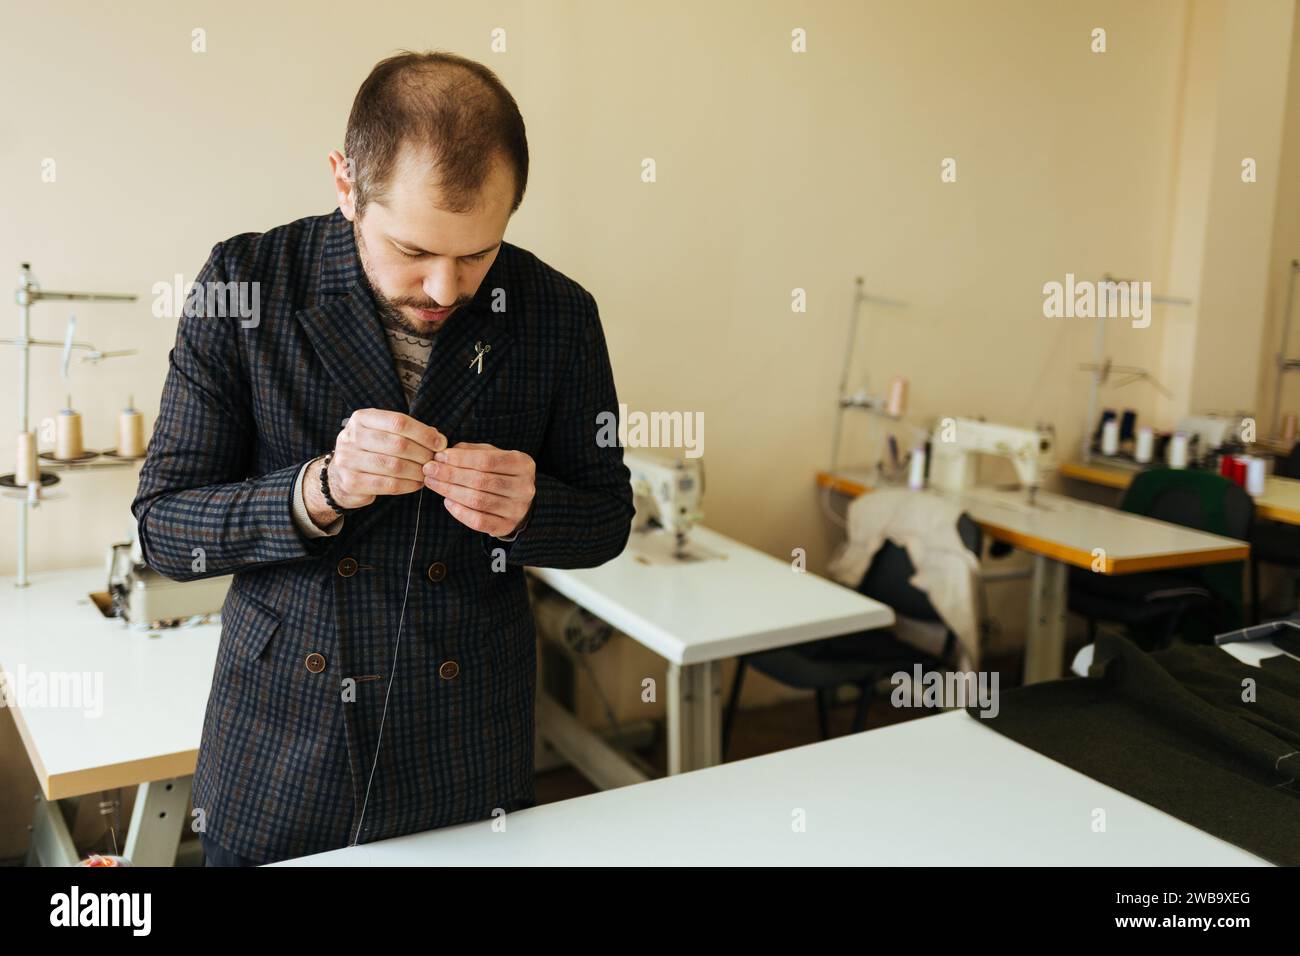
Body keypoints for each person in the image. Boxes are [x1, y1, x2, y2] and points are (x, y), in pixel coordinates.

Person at [132, 50, 634, 866]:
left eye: (477, 254)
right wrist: (319, 490)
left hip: (469, 740)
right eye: (413, 251)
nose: (445, 290)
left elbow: (608, 519)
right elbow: (163, 527)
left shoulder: (558, 313)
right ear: (345, 184)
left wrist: (532, 510)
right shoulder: (246, 282)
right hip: (282, 741)